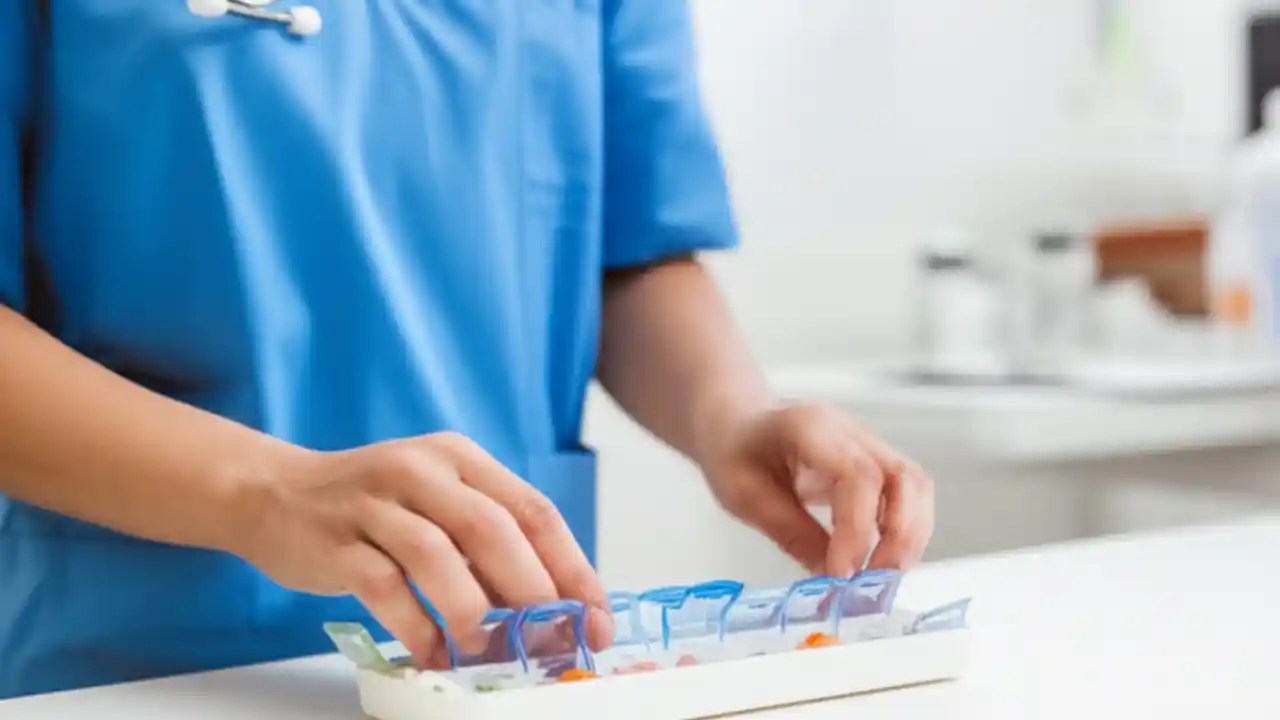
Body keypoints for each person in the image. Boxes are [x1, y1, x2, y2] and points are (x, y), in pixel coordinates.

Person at [0, 0, 935, 699]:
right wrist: (262, 491)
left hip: (511, 658)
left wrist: (730, 416)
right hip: (142, 670)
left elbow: (629, 248)